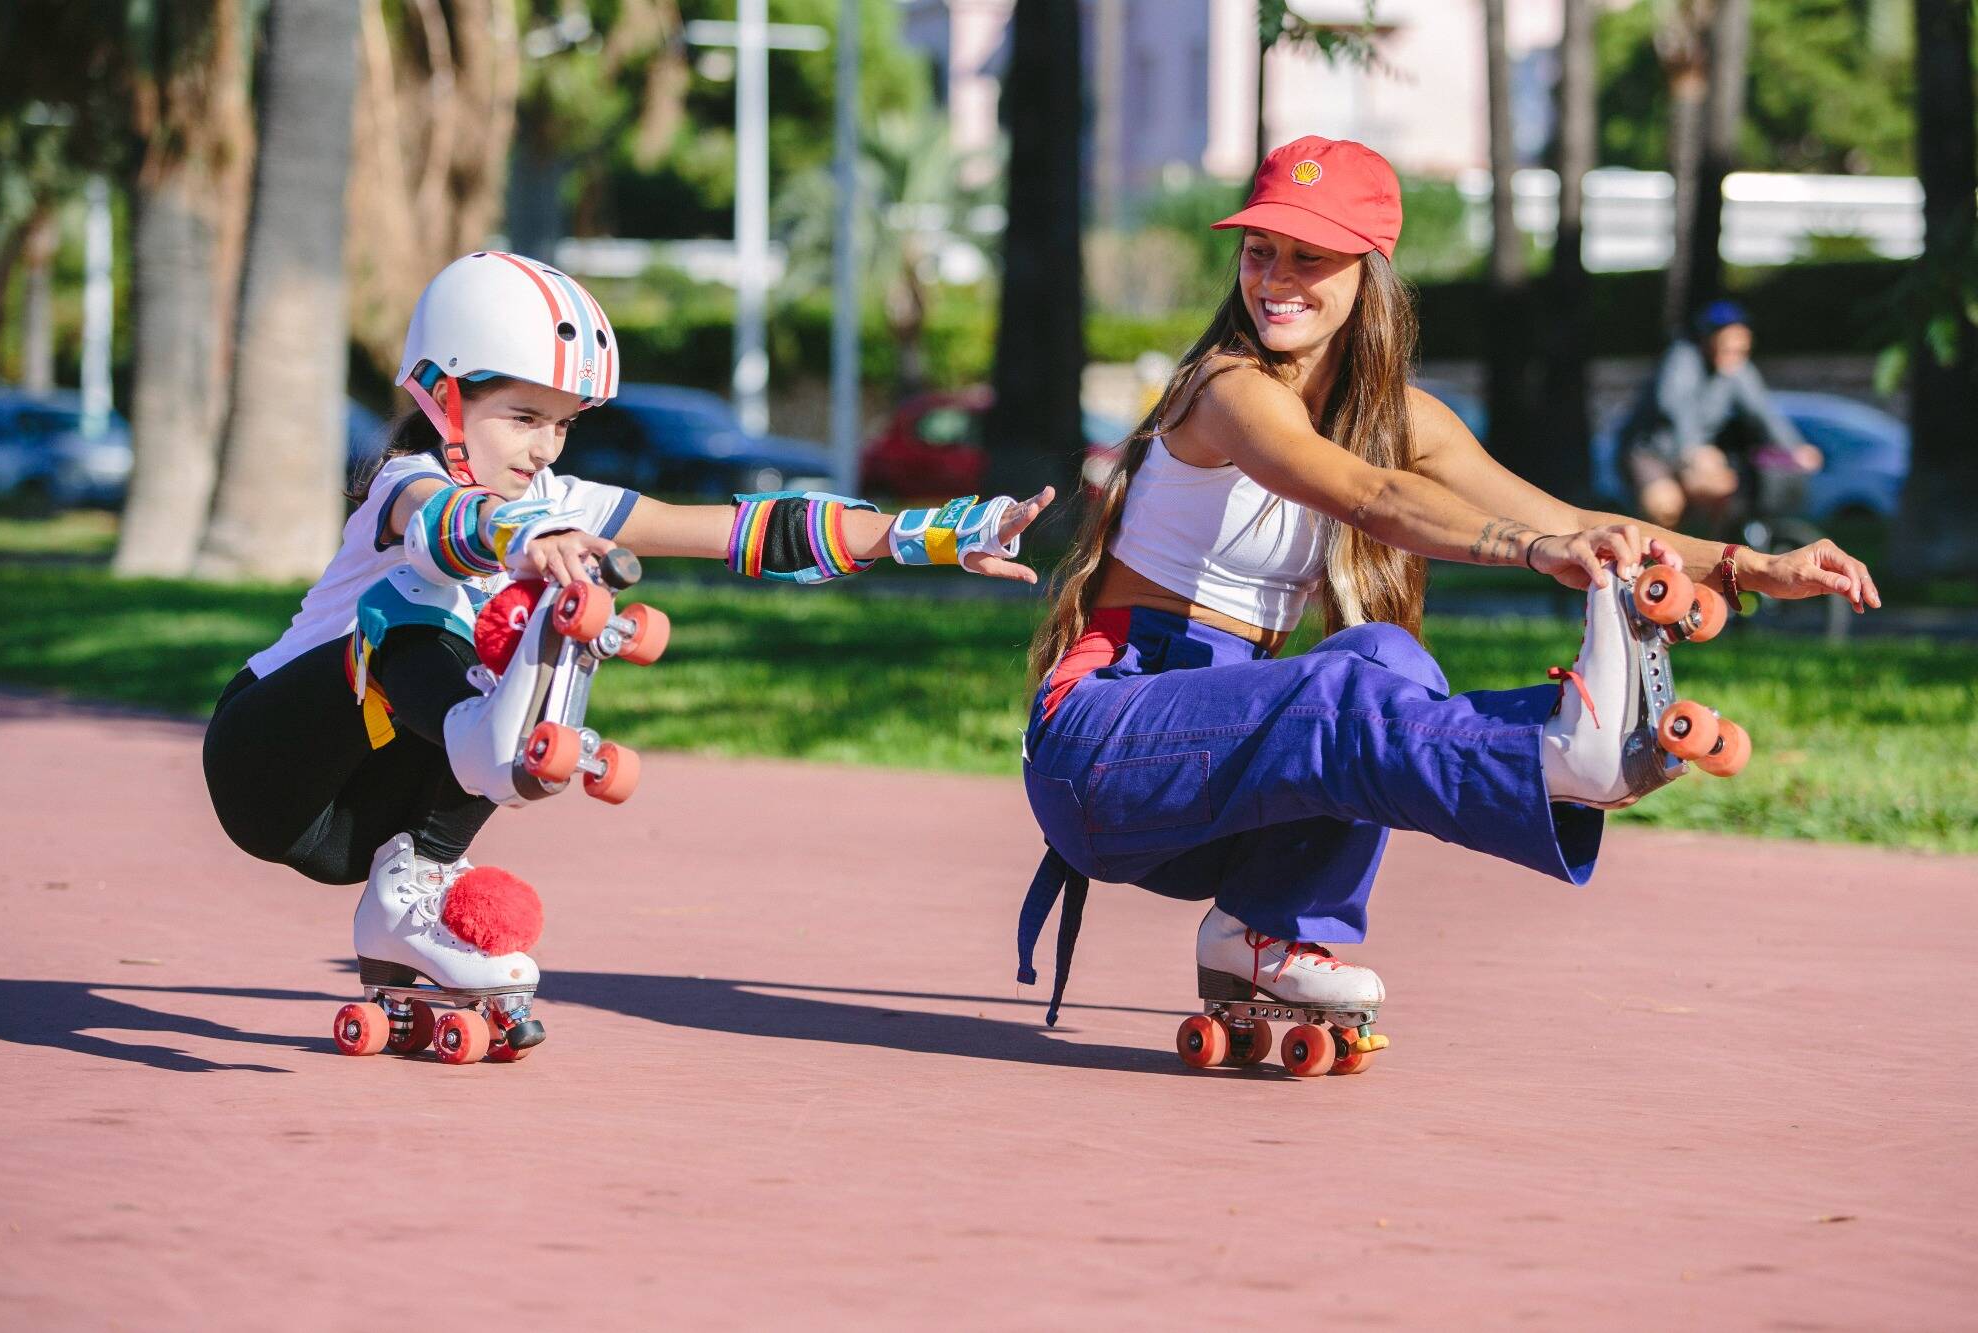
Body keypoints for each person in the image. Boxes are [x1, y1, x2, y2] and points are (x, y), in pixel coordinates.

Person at [1013, 137, 1878, 1073]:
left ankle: (1256, 930)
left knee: (1388, 658)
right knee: (1339, 697)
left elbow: (1568, 517)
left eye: (1309, 256)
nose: (1276, 279)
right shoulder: (1227, 389)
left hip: (1215, 776)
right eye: (1260, 251)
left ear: (1368, 273)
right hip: (1102, 748)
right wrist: (1534, 553)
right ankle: (1554, 751)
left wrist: (1751, 567)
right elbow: (1367, 496)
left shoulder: (1398, 418)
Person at [202, 251, 1051, 1059]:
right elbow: (443, 522)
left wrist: (925, 534)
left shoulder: (560, 499)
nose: (545, 448)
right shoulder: (404, 481)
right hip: (267, 766)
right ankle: (484, 738)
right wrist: (523, 539)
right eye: (524, 418)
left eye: (562, 425)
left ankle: (411, 888)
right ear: (444, 398)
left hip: (363, 818)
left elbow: (735, 529)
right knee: (418, 602)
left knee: (544, 626)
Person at [1618, 300, 1823, 534]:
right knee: (1664, 506)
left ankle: (1719, 548)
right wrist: (1692, 449)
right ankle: (1657, 552)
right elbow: (1676, 406)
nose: (1735, 353)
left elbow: (1761, 411)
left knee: (1727, 492)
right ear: (1708, 340)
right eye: (1728, 344)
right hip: (1654, 454)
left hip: (1697, 454)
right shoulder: (1683, 358)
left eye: (1741, 348)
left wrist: (1794, 448)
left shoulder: (1736, 367)